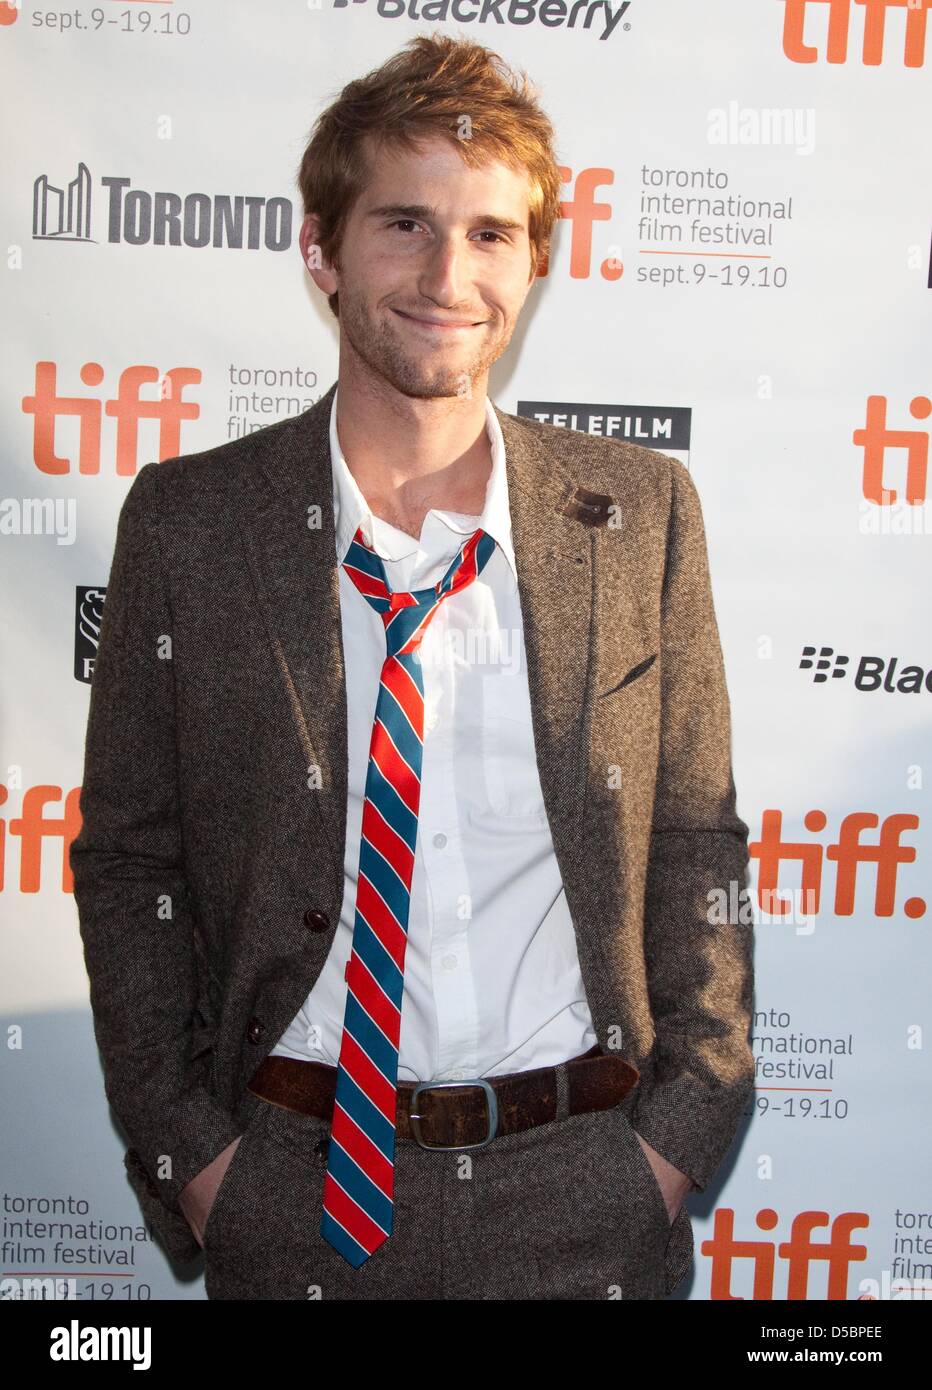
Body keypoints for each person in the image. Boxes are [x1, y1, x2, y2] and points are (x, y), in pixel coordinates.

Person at [70, 32, 755, 1301]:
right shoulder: (191, 522)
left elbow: (693, 833)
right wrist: (202, 1163)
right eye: (404, 225)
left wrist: (678, 1132)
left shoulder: (638, 512)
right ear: (321, 248)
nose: (449, 276)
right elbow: (128, 861)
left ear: (533, 262)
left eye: (490, 233)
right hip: (295, 1186)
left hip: (585, 1184)